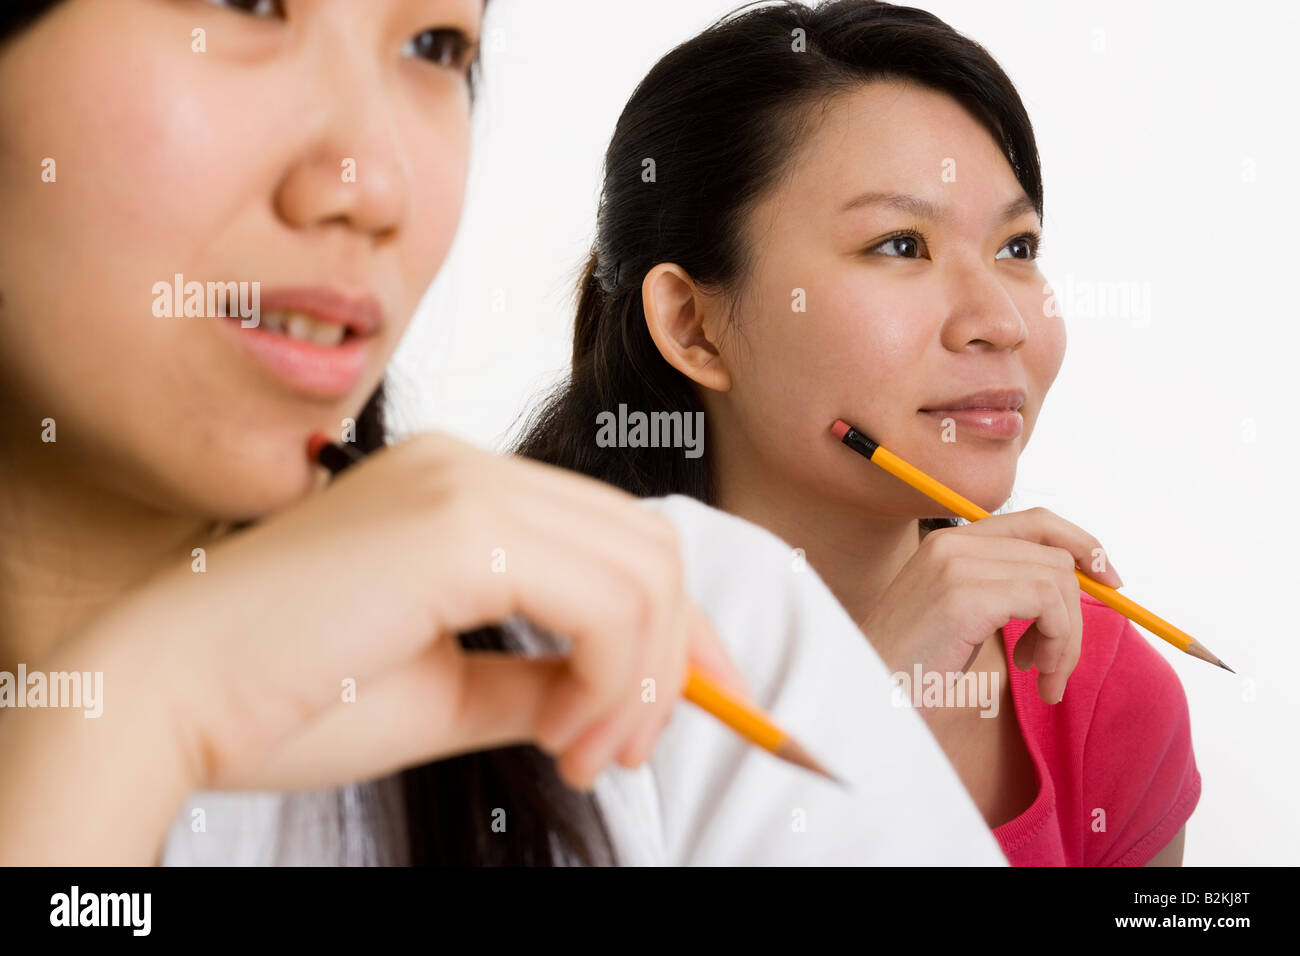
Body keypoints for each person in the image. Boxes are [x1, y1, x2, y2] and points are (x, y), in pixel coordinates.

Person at [0, 0, 1005, 866]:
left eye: (436, 45)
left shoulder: (697, 639)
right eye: (247, 5)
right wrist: (127, 724)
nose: (374, 184)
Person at [514, 0, 1200, 866]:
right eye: (900, 244)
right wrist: (867, 718)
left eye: (1017, 248)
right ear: (692, 325)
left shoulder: (1093, 684)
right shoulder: (516, 674)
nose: (1000, 320)